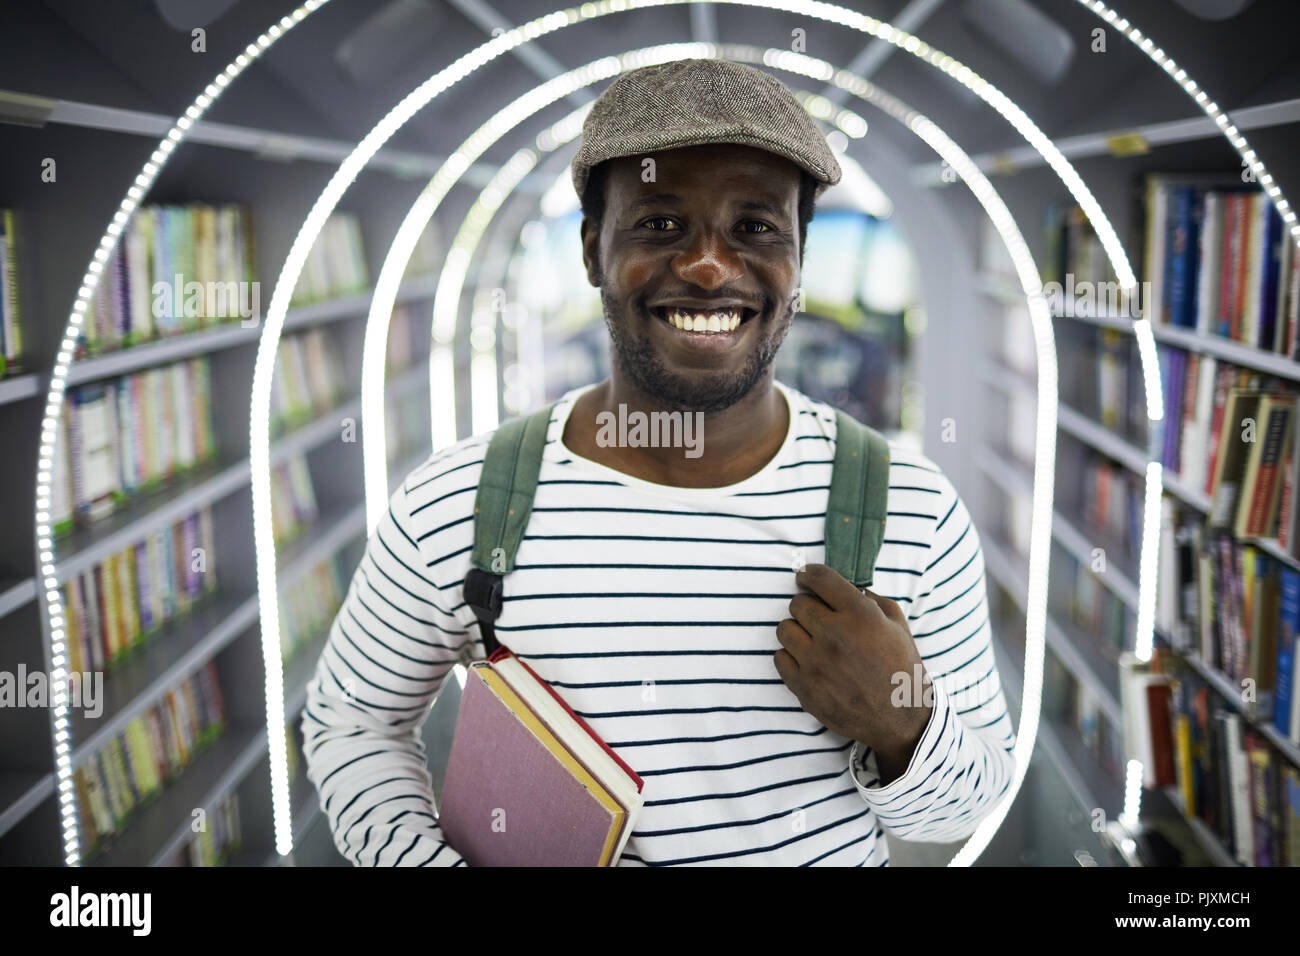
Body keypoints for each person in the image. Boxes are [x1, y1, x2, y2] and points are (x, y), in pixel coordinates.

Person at [301, 58, 1016, 866]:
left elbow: (973, 796)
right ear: (591, 248)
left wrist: (902, 723)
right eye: (660, 225)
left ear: (799, 258)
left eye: (756, 228)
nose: (710, 267)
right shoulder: (458, 502)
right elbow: (353, 721)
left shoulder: (910, 506)